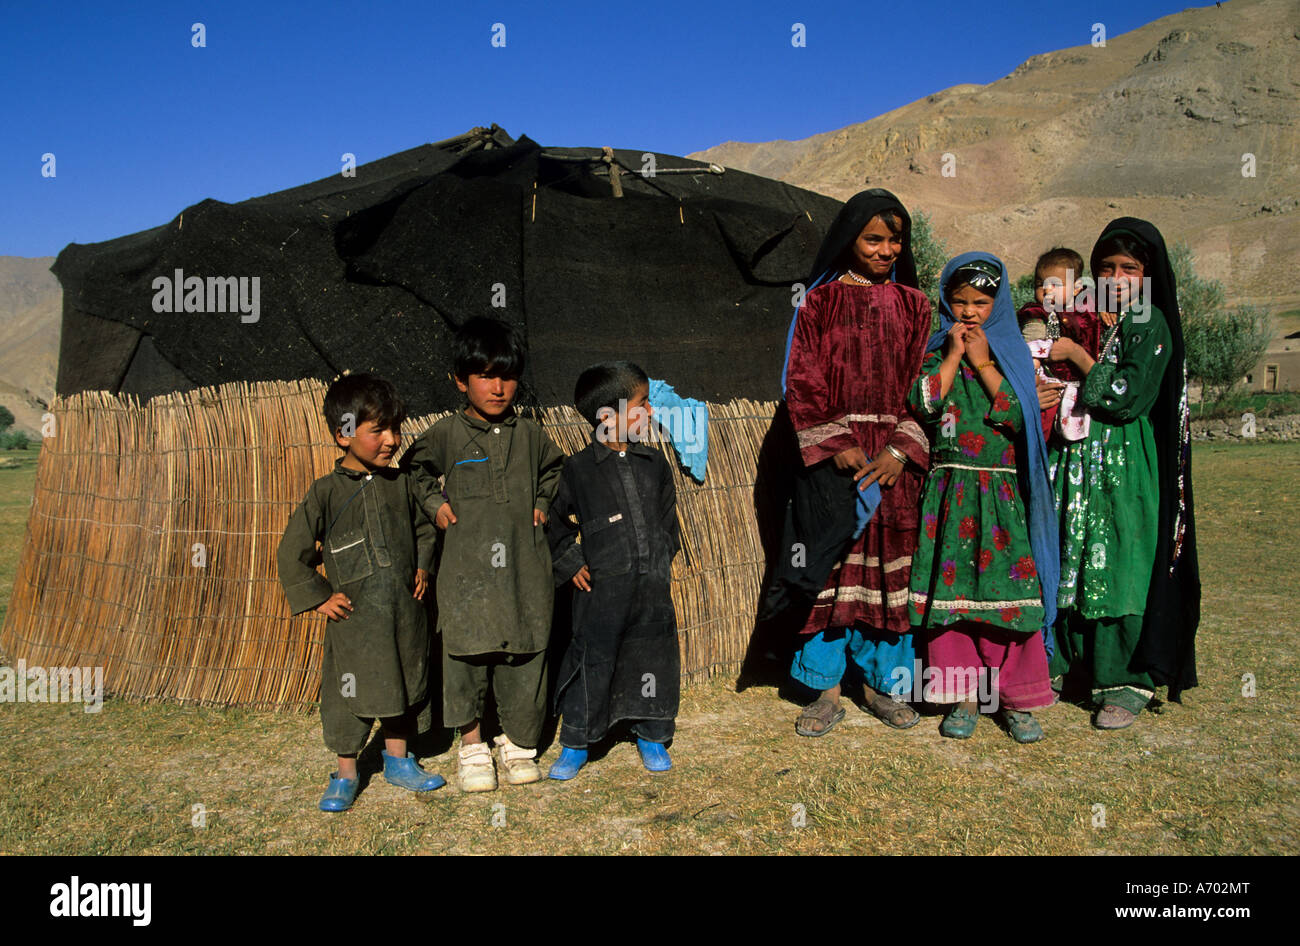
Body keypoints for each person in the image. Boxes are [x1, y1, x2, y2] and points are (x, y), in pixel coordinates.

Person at [771, 189, 933, 736]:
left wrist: (900, 449)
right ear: (849, 240)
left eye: (895, 240)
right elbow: (802, 378)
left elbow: (928, 388)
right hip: (836, 463)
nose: (887, 250)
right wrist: (837, 443)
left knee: (890, 579)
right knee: (832, 573)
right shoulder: (818, 303)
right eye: (873, 239)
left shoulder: (916, 306)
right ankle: (825, 689)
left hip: (892, 466)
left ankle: (882, 687)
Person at [1043, 219, 1200, 728]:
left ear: (1147, 274)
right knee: (1074, 556)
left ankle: (1126, 680)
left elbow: (1126, 398)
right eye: (1106, 267)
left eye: (1128, 268)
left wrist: (1081, 359)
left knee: (1118, 563)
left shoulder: (1148, 321)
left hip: (1123, 461)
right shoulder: (1082, 314)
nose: (1116, 276)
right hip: (1075, 462)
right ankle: (1069, 667)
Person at [401, 318, 565, 789]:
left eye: (508, 376)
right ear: (460, 380)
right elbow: (415, 470)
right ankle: (472, 746)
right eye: (486, 376)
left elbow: (554, 470)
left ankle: (517, 743)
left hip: (523, 566)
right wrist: (436, 505)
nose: (498, 387)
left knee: (526, 648)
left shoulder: (531, 435)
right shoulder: (446, 435)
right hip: (466, 569)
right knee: (465, 651)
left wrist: (539, 503)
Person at [277, 373, 446, 812]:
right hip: (354, 623)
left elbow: (425, 529)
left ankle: (397, 759)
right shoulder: (326, 493)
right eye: (379, 431)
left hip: (402, 615)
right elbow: (291, 552)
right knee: (346, 696)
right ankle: (346, 773)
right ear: (344, 434)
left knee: (402, 683)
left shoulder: (402, 485)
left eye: (396, 429)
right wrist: (319, 596)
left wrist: (424, 566)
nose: (391, 440)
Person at [907, 254, 1059, 742]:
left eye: (980, 302)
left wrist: (984, 363)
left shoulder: (1012, 355)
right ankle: (963, 698)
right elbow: (924, 402)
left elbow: (1019, 417)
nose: (968, 312)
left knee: (1008, 593)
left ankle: (1016, 700)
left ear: (998, 304)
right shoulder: (934, 352)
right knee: (951, 598)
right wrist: (953, 358)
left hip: (999, 496)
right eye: (959, 302)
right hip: (950, 495)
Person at [546, 362, 682, 779]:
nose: (651, 413)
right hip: (602, 589)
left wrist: (660, 562)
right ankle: (577, 741)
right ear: (608, 415)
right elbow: (552, 523)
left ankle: (651, 732)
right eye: (642, 404)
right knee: (595, 657)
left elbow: (666, 519)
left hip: (651, 587)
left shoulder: (654, 463)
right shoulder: (578, 470)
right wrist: (571, 564)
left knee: (652, 653)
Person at [1016, 247, 1100, 442]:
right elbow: (1032, 344)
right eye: (1040, 284)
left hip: (1079, 384)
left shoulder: (1087, 310)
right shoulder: (1037, 315)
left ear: (1076, 288)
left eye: (1055, 285)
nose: (1046, 290)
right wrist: (1031, 369)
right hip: (1047, 383)